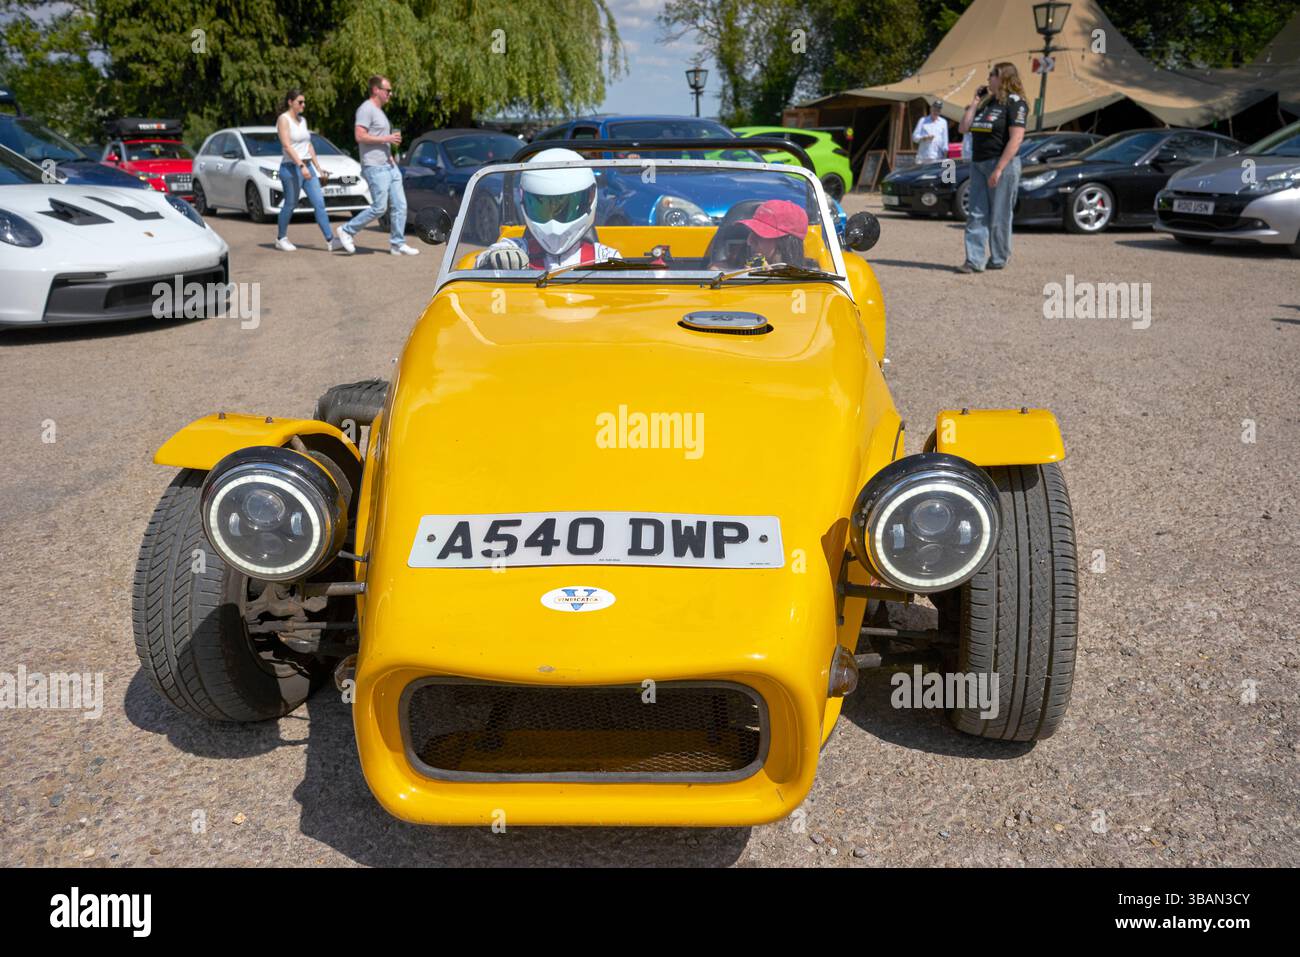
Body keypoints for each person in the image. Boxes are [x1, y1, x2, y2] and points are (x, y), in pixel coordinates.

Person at [475, 148, 620, 270]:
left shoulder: (605, 258)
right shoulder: (515, 248)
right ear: (525, 201)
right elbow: (483, 258)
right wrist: (495, 258)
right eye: (542, 206)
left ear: (589, 198)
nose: (553, 224)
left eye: (563, 208)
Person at [336, 75, 418, 256]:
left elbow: (380, 140)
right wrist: (386, 138)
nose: (391, 93)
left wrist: (390, 155)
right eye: (388, 90)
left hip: (389, 166)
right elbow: (359, 136)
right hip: (374, 167)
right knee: (380, 208)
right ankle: (347, 230)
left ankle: (397, 244)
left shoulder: (380, 112)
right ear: (376, 90)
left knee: (400, 205)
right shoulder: (366, 109)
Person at [957, 62, 1027, 273]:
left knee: (999, 215)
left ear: (1003, 77)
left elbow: (1016, 139)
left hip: (1001, 164)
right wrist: (975, 101)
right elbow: (964, 128)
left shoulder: (1015, 103)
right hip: (978, 163)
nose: (988, 79)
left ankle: (998, 257)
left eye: (992, 75)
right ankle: (974, 261)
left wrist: (999, 168)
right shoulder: (987, 103)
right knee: (976, 213)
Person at [273, 89, 345, 253]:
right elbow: (287, 146)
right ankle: (281, 238)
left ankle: (330, 240)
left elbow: (308, 145)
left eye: (304, 102)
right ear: (290, 102)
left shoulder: (303, 120)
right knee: (290, 204)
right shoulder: (283, 120)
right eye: (300, 102)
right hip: (291, 168)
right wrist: (301, 165)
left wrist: (318, 168)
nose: (303, 105)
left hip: (307, 167)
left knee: (319, 203)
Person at [708, 199, 811, 271]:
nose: (749, 241)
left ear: (784, 244)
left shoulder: (810, 286)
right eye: (751, 232)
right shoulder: (728, 270)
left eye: (759, 235)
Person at [911, 100, 949, 165]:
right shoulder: (923, 120)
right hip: (923, 157)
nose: (936, 111)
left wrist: (945, 157)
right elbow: (914, 137)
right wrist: (924, 138)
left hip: (937, 157)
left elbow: (945, 141)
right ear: (931, 108)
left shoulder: (943, 122)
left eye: (938, 110)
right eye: (935, 109)